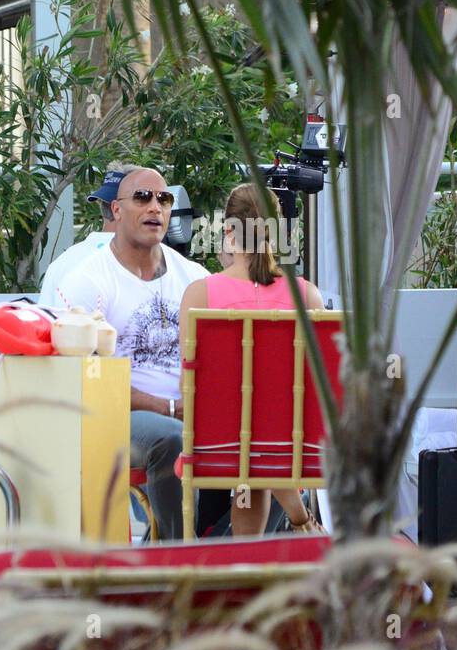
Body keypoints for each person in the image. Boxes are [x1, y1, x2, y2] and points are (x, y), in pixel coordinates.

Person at [58, 167, 209, 539]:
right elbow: (81, 379)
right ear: (116, 210)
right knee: (172, 438)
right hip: (117, 418)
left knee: (269, 441)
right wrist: (168, 408)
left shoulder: (193, 277)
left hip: (193, 414)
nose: (155, 207)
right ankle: (179, 561)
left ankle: (223, 557)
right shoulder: (87, 281)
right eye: (142, 197)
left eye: (164, 199)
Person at [179, 182, 325, 536]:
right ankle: (298, 514)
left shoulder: (201, 293)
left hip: (216, 444)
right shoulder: (306, 295)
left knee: (248, 438)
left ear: (229, 231)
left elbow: (190, 382)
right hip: (294, 444)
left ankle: (241, 562)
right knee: (263, 431)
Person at [37, 163, 134, 306]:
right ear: (116, 208)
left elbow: (46, 322)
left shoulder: (62, 262)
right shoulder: (148, 262)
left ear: (101, 203)